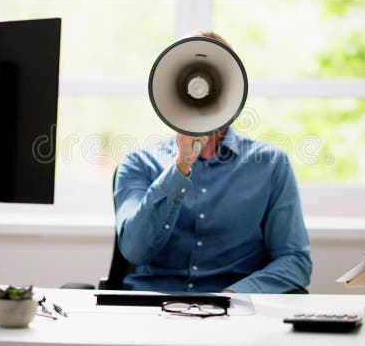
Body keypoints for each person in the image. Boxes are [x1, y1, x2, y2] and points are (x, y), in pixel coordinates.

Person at [114, 32, 312, 293]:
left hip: (234, 313)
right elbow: (134, 250)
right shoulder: (139, 164)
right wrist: (179, 168)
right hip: (154, 305)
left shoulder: (271, 165)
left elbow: (295, 261)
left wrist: (235, 294)